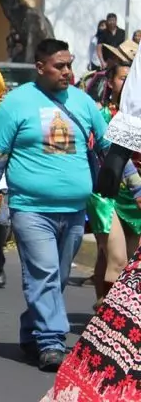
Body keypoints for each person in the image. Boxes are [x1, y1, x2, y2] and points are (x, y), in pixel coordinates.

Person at [0, 39, 141, 371]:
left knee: (57, 277)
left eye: (70, 64)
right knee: (46, 272)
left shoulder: (83, 102)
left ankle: (31, 331)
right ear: (40, 67)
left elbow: (113, 151)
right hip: (31, 210)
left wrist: (137, 189)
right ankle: (52, 340)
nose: (68, 71)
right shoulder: (14, 104)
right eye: (59, 66)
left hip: (74, 212)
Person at [42, 55, 141, 401]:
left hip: (131, 200)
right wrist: (118, 159)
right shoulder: (100, 112)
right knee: (116, 261)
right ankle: (100, 307)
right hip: (104, 198)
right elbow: (113, 152)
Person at [84, 58, 141, 306]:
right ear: (111, 82)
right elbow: (113, 154)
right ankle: (110, 323)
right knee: (117, 260)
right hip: (110, 193)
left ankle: (107, 304)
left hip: (135, 197)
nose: (128, 83)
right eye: (122, 78)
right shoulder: (105, 116)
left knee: (127, 262)